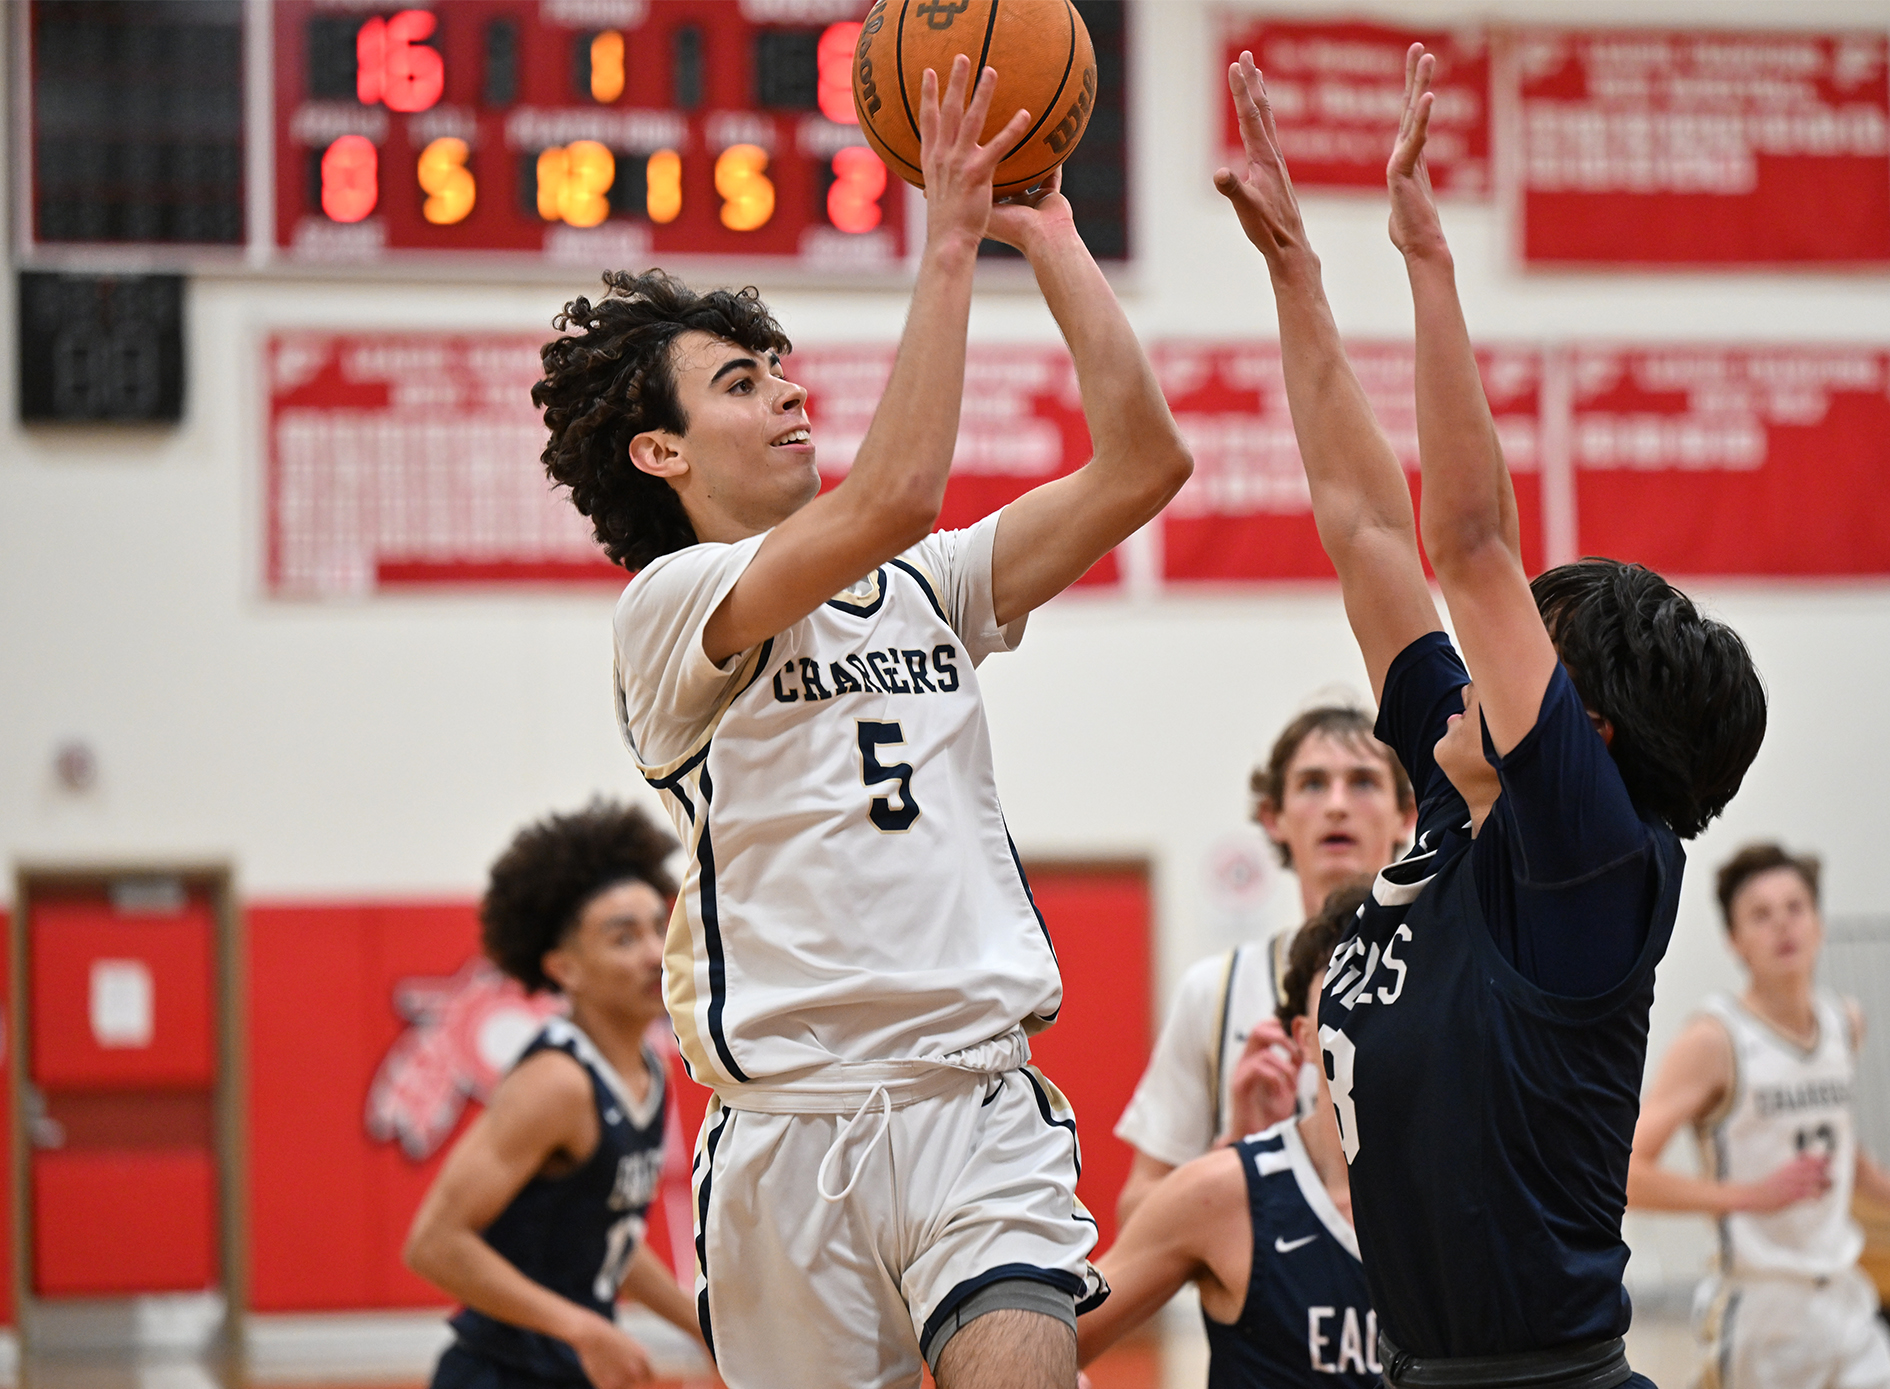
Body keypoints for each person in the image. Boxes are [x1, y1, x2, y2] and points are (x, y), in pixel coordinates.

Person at [533, 59, 1192, 1389]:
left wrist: (1047, 235)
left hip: (975, 1103)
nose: (787, 392)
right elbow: (893, 490)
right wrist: (945, 236)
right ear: (661, 453)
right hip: (790, 1137)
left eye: (783, 370)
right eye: (740, 383)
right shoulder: (670, 612)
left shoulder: (928, 589)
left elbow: (1144, 462)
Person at [1216, 44, 1768, 1389]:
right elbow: (1363, 525)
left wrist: (1428, 262)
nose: (1475, 661)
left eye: (1523, 647)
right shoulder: (1460, 799)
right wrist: (1296, 273)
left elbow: (1465, 542)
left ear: (1588, 739)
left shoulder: (1590, 861)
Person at [1628, 843, 1890, 1389]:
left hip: (1845, 1295)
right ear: (1735, 941)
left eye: (1795, 907)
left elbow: (1838, 1147)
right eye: (1761, 915)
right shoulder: (1714, 1039)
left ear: (1818, 922)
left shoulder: (1845, 1021)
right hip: (1760, 1309)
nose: (1783, 926)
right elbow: (1625, 1175)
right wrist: (1749, 1196)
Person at [404, 802, 703, 1389]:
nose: (652, 953)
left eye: (656, 928)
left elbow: (604, 1236)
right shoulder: (557, 1083)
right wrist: (583, 1329)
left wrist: (701, 1329)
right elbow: (433, 1244)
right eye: (623, 937)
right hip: (501, 1374)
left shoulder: (647, 1069)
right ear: (564, 967)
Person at [1114, 707, 1413, 1225]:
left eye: (1363, 782)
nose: (1337, 805)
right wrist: (1236, 1156)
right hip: (1269, 1300)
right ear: (1274, 817)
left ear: (1407, 816)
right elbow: (1136, 1215)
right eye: (1313, 783)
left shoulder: (1443, 975)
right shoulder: (1215, 991)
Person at [1079, 886, 1379, 1388]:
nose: (1364, 998)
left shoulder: (1478, 1197)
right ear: (1303, 1037)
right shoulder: (1223, 1192)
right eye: (1342, 975)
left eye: (1382, 977)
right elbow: (1044, 1341)